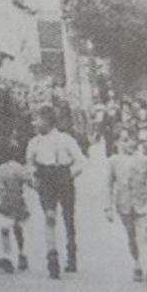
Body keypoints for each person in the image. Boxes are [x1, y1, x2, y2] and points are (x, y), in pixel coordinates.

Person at [26, 104, 85, 279]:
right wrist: (33, 177)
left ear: (48, 121)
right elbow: (29, 163)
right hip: (45, 178)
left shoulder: (65, 139)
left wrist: (70, 174)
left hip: (63, 176)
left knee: (68, 216)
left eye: (38, 119)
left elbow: (80, 161)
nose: (34, 123)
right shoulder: (34, 142)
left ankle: (71, 251)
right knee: (50, 217)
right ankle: (52, 255)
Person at [105, 128, 147, 290]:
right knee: (131, 236)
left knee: (144, 236)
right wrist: (108, 208)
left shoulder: (145, 160)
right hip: (124, 205)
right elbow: (108, 186)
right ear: (117, 143)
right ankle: (137, 263)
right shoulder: (113, 161)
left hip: (143, 203)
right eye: (125, 140)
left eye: (132, 139)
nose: (130, 143)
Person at [0, 138, 30, 274]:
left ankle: (8, 255)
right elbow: (29, 179)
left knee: (5, 230)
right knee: (18, 229)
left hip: (6, 204)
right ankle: (22, 254)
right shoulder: (18, 167)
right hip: (18, 202)